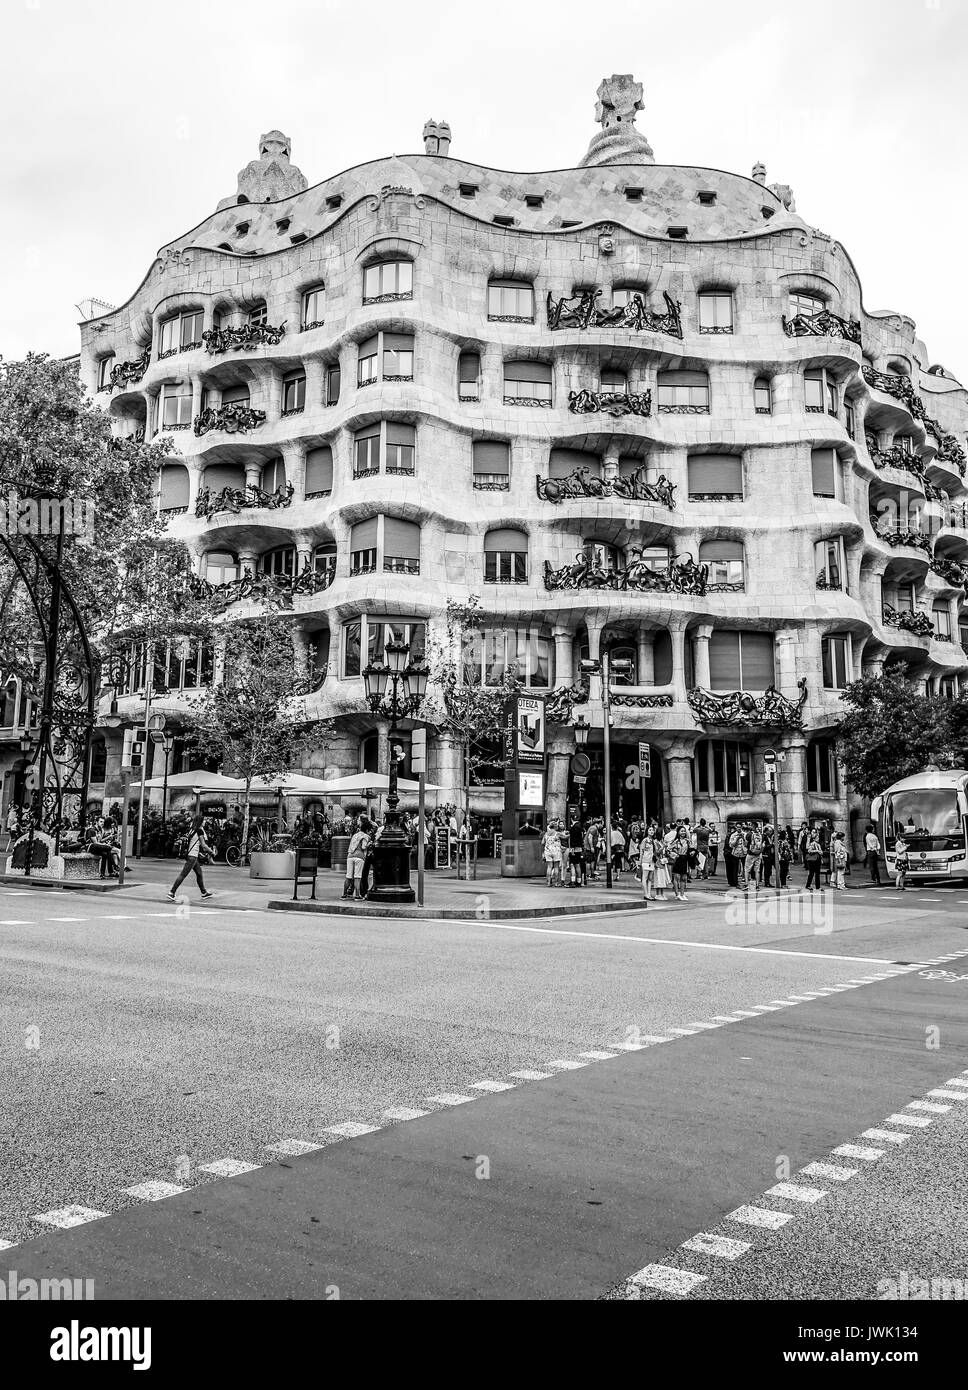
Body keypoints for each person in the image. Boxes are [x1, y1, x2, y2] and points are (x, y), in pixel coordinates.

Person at [167, 815, 214, 900]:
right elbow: (203, 845)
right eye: (203, 821)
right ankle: (172, 892)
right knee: (183, 874)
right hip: (192, 856)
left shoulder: (192, 829)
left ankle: (204, 892)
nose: (204, 822)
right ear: (200, 822)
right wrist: (211, 851)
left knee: (199, 873)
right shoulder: (199, 831)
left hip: (191, 855)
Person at [343, 815, 370, 900]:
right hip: (359, 857)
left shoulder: (355, 835)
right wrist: (369, 844)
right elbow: (363, 847)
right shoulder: (366, 836)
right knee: (357, 876)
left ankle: (344, 894)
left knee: (348, 876)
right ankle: (357, 896)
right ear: (367, 830)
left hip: (350, 856)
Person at [671, 826, 691, 901]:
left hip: (685, 859)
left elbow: (692, 849)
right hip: (677, 859)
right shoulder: (675, 841)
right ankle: (677, 894)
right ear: (678, 832)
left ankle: (682, 893)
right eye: (682, 831)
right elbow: (669, 849)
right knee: (677, 877)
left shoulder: (687, 841)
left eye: (684, 831)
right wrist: (674, 855)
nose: (683, 832)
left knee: (684, 877)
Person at [542, 819, 563, 887]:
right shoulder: (557, 833)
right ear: (555, 826)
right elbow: (565, 837)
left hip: (548, 851)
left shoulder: (546, 834)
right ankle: (556, 883)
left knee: (549, 867)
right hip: (556, 851)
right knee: (556, 867)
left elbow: (542, 843)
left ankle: (548, 883)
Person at [744, 822, 763, 893]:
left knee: (747, 869)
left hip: (750, 854)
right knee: (757, 870)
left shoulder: (749, 834)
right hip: (758, 854)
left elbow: (746, 844)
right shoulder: (760, 834)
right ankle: (757, 885)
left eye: (750, 825)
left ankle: (746, 884)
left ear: (752, 826)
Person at [803, 827, 823, 891]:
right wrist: (817, 851)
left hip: (817, 860)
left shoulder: (818, 844)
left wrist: (820, 852)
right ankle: (808, 885)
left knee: (817, 873)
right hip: (812, 860)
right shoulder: (812, 843)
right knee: (811, 873)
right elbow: (809, 851)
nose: (818, 838)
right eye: (817, 837)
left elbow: (821, 852)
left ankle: (818, 886)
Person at [567, 818, 585, 887]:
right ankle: (579, 881)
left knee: (572, 865)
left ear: (571, 819)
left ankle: (572, 881)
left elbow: (573, 840)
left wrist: (572, 849)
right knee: (577, 864)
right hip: (579, 848)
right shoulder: (580, 827)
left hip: (574, 849)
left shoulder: (574, 828)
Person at [639, 830, 656, 901]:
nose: (651, 831)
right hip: (645, 860)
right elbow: (641, 851)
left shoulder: (653, 841)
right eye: (650, 830)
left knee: (650, 878)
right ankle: (646, 894)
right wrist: (640, 861)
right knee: (645, 877)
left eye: (652, 830)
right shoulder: (645, 840)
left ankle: (649, 894)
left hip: (651, 861)